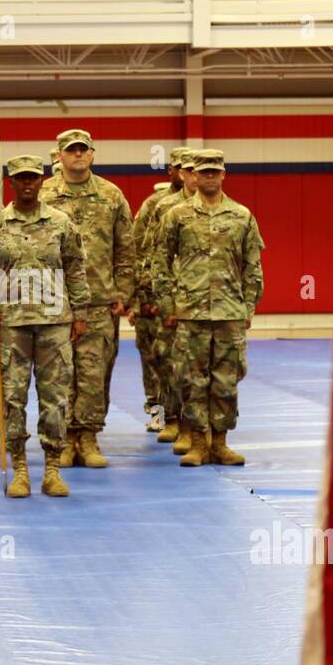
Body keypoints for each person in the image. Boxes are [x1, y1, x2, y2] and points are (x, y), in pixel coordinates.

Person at [0, 155, 91, 498]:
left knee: (54, 399)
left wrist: (80, 311)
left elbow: (75, 268)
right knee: (13, 398)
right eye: (20, 178)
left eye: (33, 178)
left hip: (55, 322)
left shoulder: (60, 222)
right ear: (11, 182)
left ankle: (52, 469)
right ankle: (21, 469)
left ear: (42, 180)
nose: (27, 183)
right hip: (12, 324)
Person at [155, 149, 264, 466]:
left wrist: (248, 308)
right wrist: (168, 305)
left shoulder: (241, 216)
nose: (210, 177)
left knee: (226, 381)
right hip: (191, 312)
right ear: (194, 176)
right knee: (192, 381)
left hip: (230, 313)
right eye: (204, 172)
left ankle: (220, 443)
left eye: (215, 171)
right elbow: (160, 263)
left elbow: (253, 267)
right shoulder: (177, 216)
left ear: (224, 174)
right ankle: (199, 443)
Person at [40, 128, 135, 468]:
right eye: (72, 150)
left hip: (99, 301)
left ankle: (88, 436)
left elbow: (126, 248)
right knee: (59, 372)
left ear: (92, 154)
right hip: (56, 301)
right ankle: (64, 438)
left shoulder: (111, 195)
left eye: (84, 150)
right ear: (60, 155)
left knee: (94, 374)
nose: (78, 155)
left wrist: (123, 293)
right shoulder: (44, 195)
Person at [132, 148, 190, 430]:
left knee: (188, 361)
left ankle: (189, 417)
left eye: (190, 168)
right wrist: (141, 297)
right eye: (180, 167)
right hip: (154, 298)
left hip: (191, 299)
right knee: (155, 358)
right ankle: (159, 411)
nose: (185, 173)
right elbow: (140, 250)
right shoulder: (156, 205)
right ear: (171, 170)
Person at [145, 151, 199, 451]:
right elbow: (152, 254)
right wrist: (150, 297)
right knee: (168, 361)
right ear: (179, 173)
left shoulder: (228, 211)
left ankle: (200, 428)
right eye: (187, 170)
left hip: (203, 301)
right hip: (171, 299)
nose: (192, 176)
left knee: (201, 366)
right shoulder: (164, 207)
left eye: (197, 170)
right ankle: (174, 418)